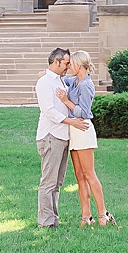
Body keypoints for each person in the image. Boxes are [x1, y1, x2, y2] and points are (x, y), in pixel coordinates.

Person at [35, 47, 87, 227]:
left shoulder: (61, 80)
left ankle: (53, 219)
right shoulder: (44, 83)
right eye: (66, 63)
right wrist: (72, 122)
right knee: (48, 181)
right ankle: (46, 221)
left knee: (57, 182)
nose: (68, 67)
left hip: (62, 137)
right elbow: (48, 110)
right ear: (56, 62)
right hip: (51, 136)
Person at [63, 50, 116, 227]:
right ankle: (86, 216)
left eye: (71, 64)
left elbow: (84, 112)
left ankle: (103, 214)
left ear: (78, 65)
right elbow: (58, 79)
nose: (68, 66)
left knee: (89, 174)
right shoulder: (73, 81)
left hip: (83, 129)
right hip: (73, 129)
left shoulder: (86, 85)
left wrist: (66, 101)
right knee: (79, 175)